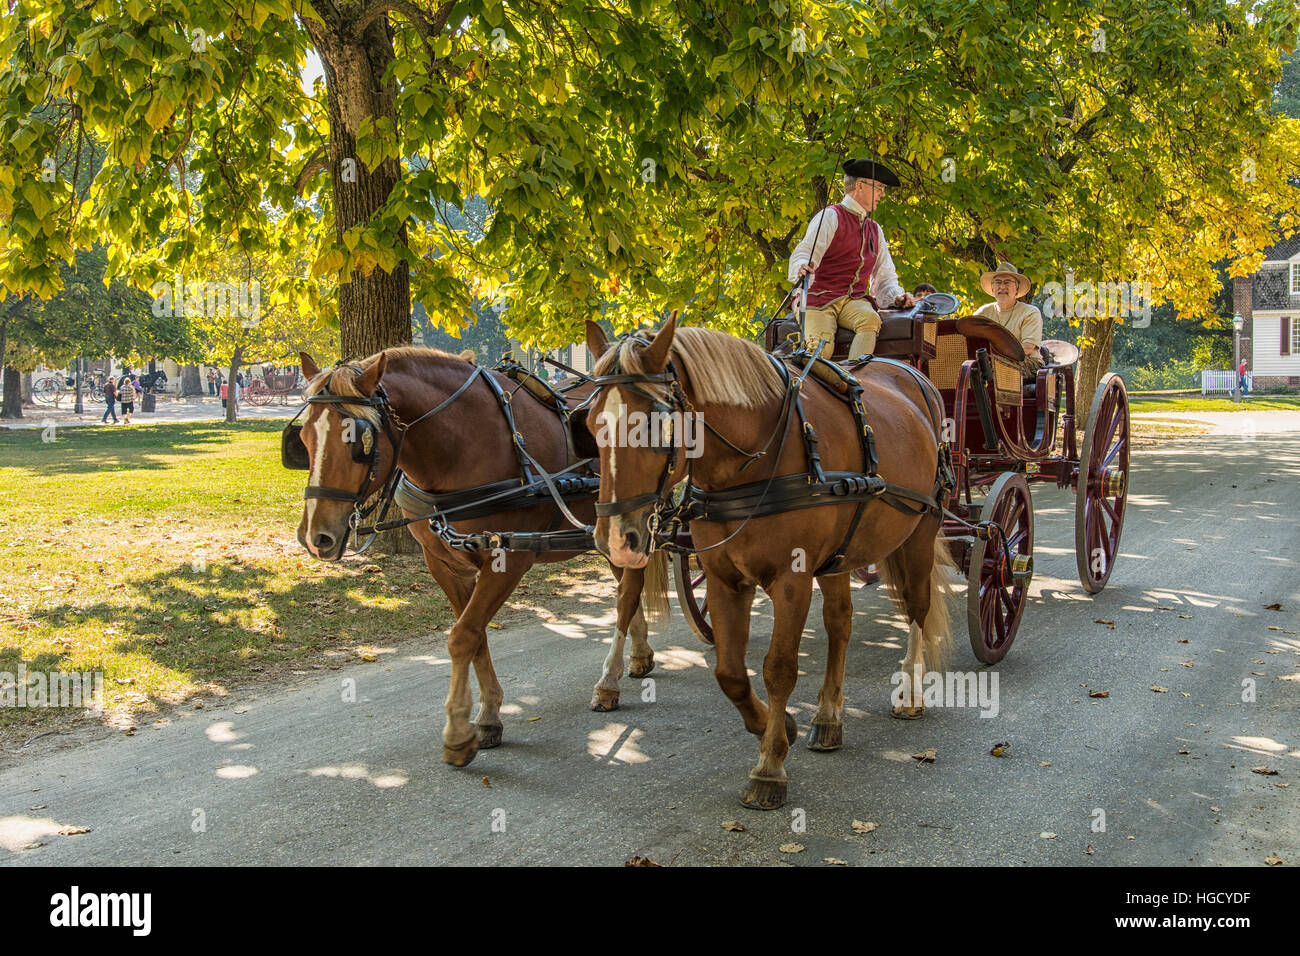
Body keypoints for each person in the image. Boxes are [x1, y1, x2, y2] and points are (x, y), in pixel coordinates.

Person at [787, 158, 914, 361]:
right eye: (879, 187)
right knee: (820, 349)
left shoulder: (875, 230)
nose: (883, 194)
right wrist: (802, 266)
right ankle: (838, 383)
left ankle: (853, 376)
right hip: (818, 298)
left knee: (870, 319)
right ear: (860, 186)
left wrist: (895, 296)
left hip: (852, 300)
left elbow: (885, 276)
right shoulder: (830, 216)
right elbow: (805, 252)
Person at [974, 261, 1046, 377]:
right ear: (992, 288)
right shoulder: (982, 313)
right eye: (998, 282)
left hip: (1027, 363)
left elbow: (1027, 349)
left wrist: (996, 357)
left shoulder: (1030, 312)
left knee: (993, 368)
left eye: (1007, 282)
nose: (1002, 287)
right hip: (988, 362)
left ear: (1017, 288)